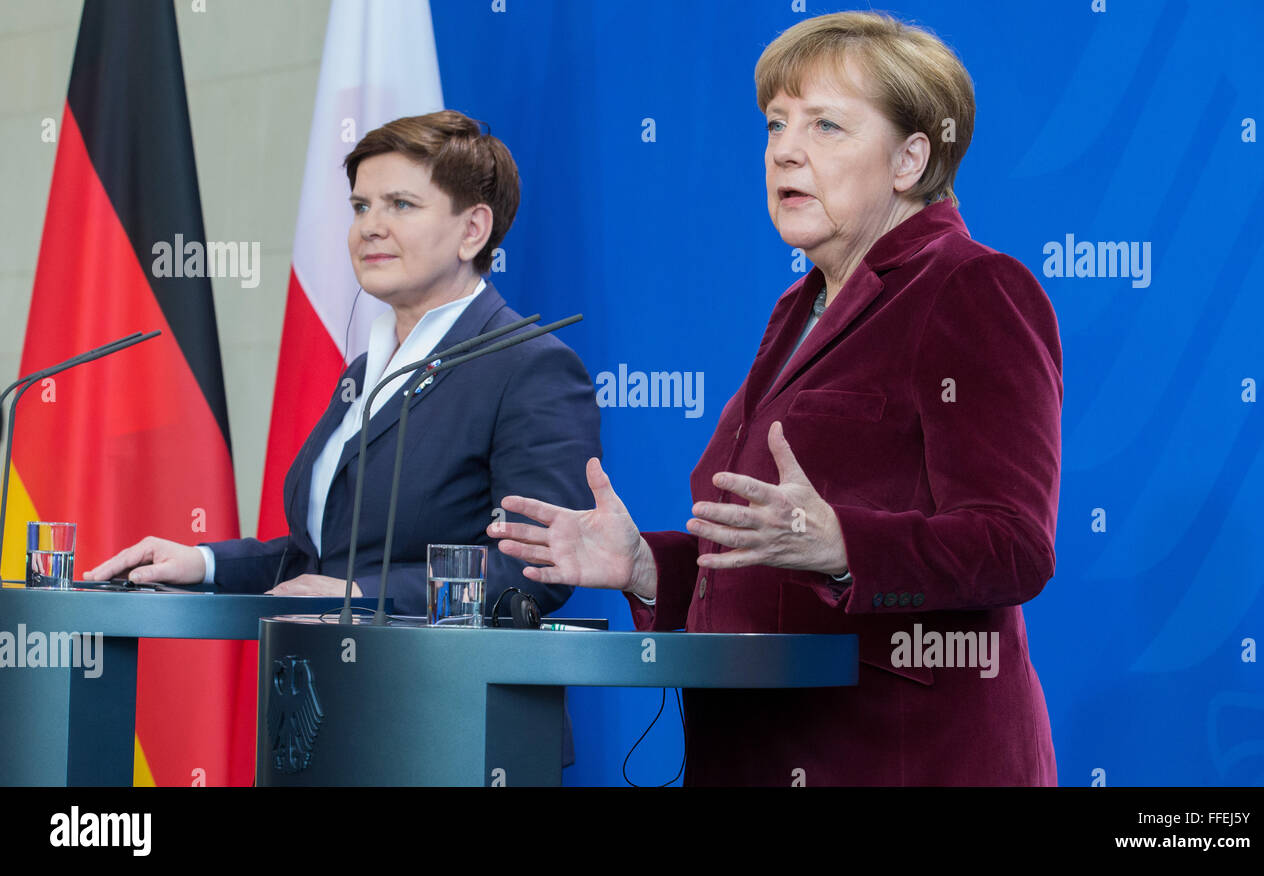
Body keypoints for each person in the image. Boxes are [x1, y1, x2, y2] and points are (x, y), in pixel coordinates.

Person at [490, 12, 1063, 785]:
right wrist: (644, 567)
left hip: (897, 759)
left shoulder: (971, 287)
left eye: (826, 126)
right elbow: (770, 559)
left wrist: (845, 548)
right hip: (757, 752)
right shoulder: (797, 308)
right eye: (776, 125)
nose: (785, 149)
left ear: (910, 157)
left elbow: (1013, 546)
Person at [88, 111, 601, 618]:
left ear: (472, 230)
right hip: (323, 685)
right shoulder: (365, 371)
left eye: (400, 204)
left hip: (447, 693)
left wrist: (358, 595)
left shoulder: (529, 368)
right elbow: (325, 564)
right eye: (360, 206)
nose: (370, 228)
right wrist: (203, 562)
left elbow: (536, 569)